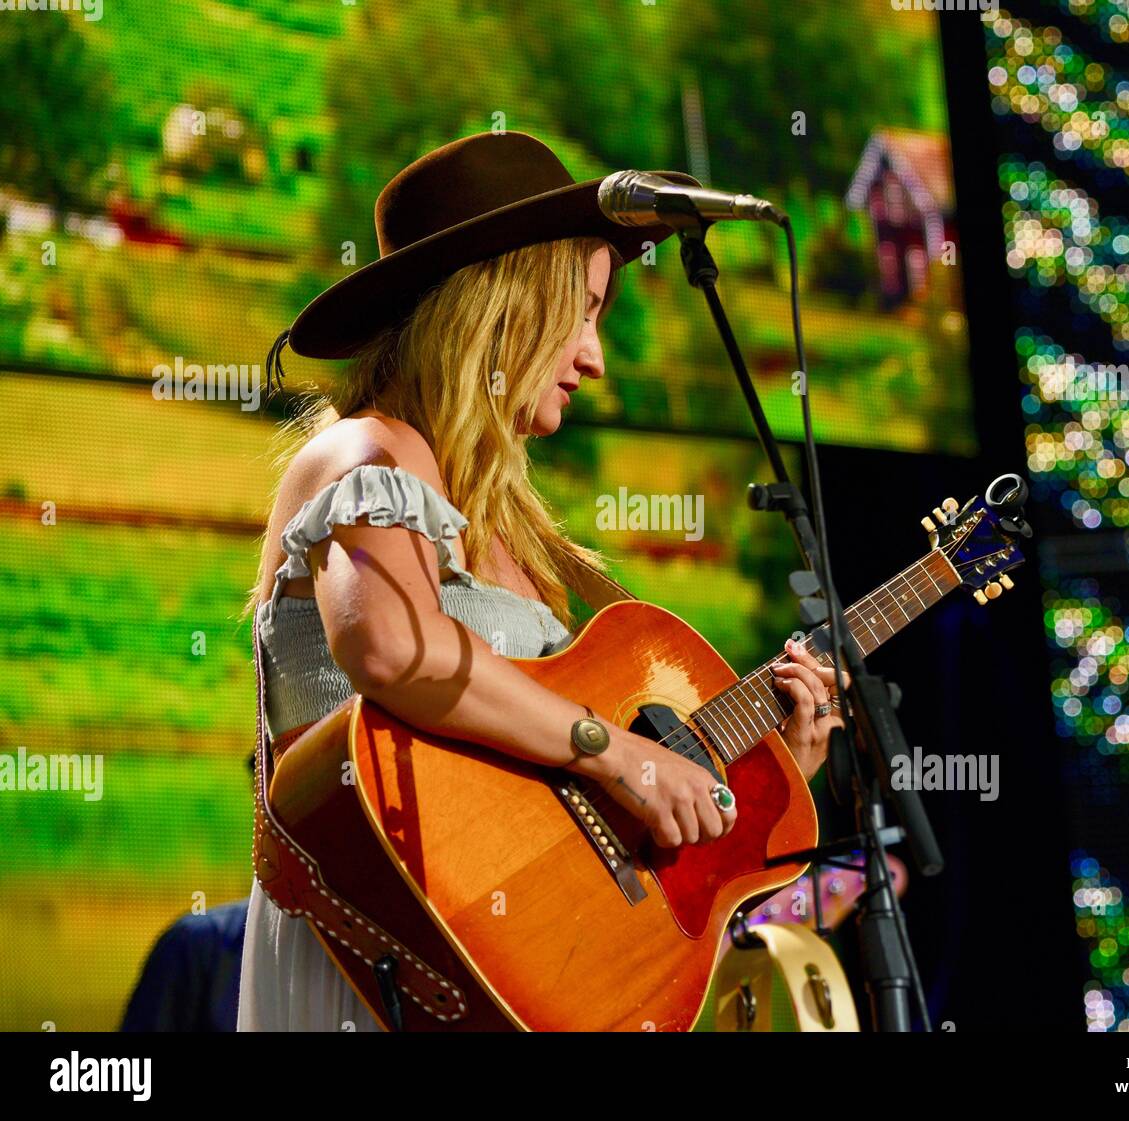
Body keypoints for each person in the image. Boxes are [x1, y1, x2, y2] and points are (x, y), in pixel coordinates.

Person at [236, 131, 844, 1031]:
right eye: (584, 310)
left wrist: (763, 778)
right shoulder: (365, 452)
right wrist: (622, 750)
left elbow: (544, 811)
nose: (595, 356)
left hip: (492, 966)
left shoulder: (515, 539)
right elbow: (396, 648)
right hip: (380, 959)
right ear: (504, 305)